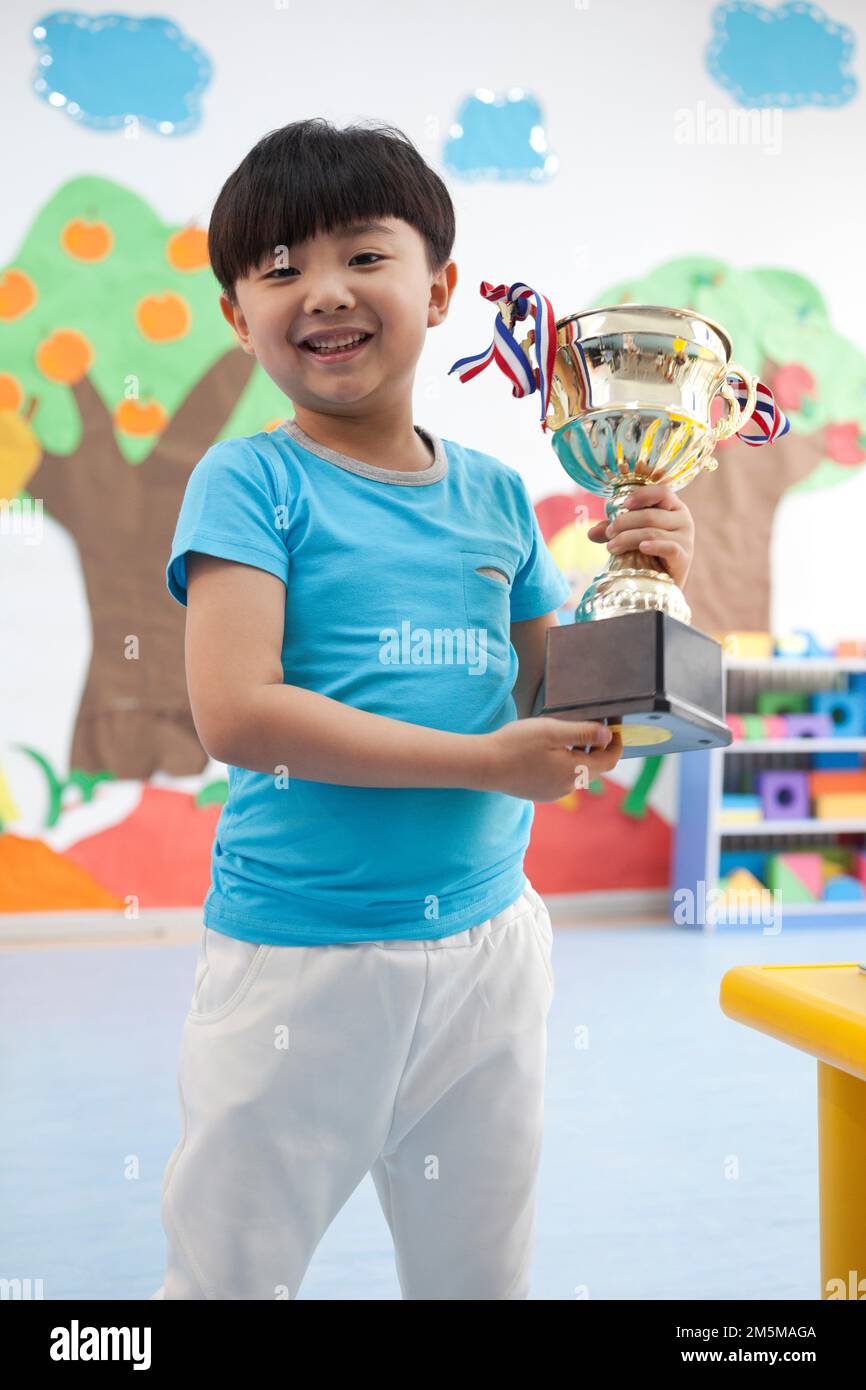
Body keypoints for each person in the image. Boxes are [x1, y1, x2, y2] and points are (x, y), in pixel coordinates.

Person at [154, 118, 693, 1300]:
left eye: (362, 253)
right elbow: (238, 714)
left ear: (439, 288)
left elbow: (563, 695)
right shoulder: (250, 480)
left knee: (475, 1279)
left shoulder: (499, 495)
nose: (323, 291)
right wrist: (481, 760)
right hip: (302, 960)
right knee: (229, 1278)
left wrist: (647, 573)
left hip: (494, 949)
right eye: (280, 267)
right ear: (236, 315)